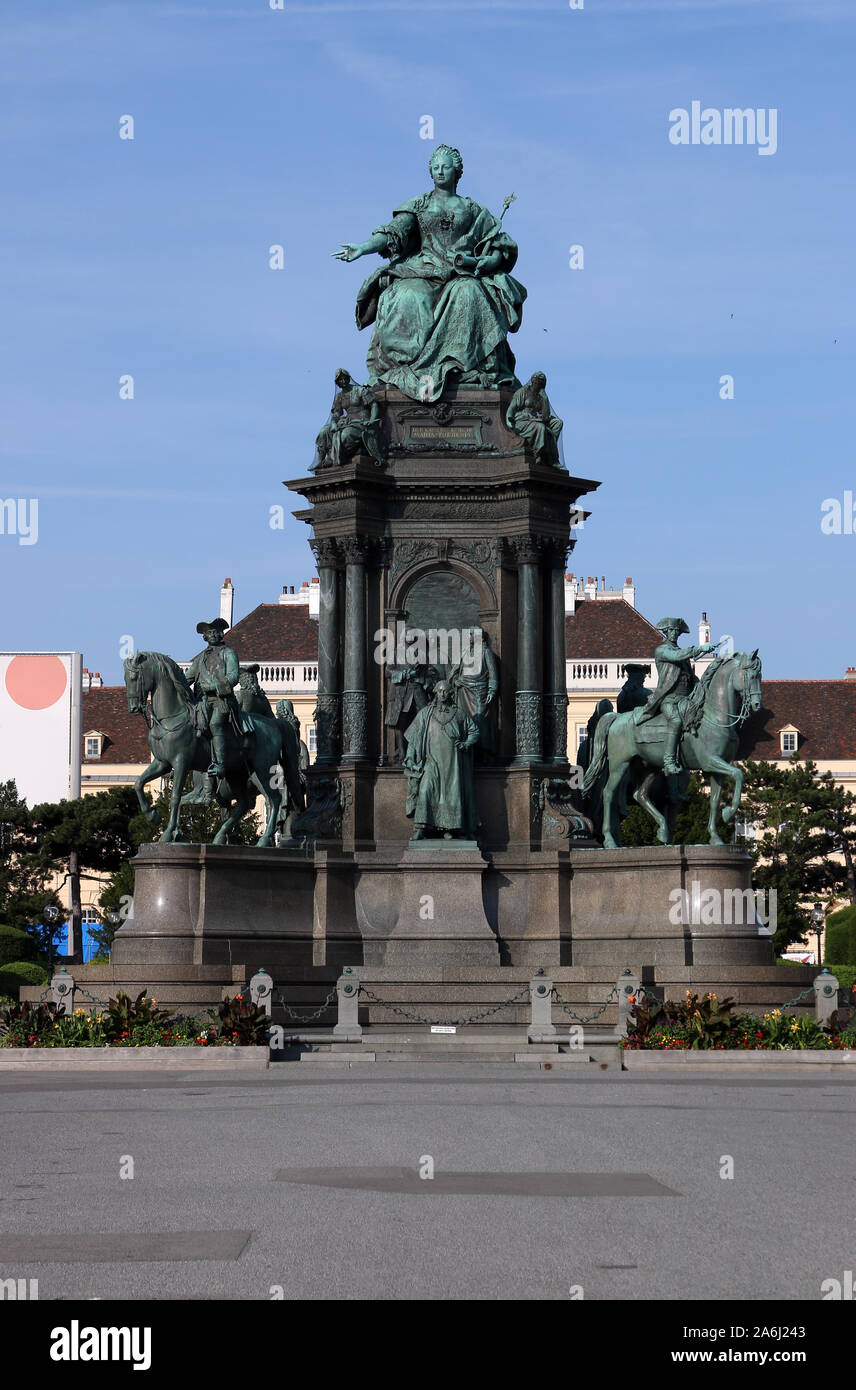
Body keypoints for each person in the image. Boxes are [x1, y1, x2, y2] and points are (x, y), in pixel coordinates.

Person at [332, 145, 526, 402]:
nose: (440, 171)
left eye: (445, 166)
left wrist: (486, 262)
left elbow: (500, 248)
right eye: (435, 167)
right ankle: (406, 368)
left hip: (461, 274)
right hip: (422, 271)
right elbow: (393, 232)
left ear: (457, 171)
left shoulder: (474, 211)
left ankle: (464, 367)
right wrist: (362, 248)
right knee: (406, 296)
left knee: (471, 292)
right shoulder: (419, 205)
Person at [634, 618, 715, 775]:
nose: (675, 634)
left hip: (685, 699)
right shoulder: (662, 651)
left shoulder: (680, 653)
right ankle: (669, 761)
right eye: (672, 631)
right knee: (676, 721)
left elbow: (690, 676)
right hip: (669, 699)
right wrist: (701, 648)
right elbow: (677, 656)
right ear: (666, 632)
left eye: (677, 632)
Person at [403, 680, 480, 840]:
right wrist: (410, 756)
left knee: (451, 795)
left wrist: (466, 743)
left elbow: (474, 731)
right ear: (435, 693)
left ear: (451, 693)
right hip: (431, 764)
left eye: (446, 691)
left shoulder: (459, 713)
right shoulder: (425, 713)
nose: (443, 694)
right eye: (440, 691)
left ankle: (449, 828)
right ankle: (420, 828)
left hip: (453, 766)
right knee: (425, 791)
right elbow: (413, 738)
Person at [185, 618, 241, 796]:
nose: (213, 635)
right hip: (202, 702)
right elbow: (188, 678)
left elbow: (233, 677)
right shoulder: (200, 659)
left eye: (216, 631)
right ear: (205, 637)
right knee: (186, 723)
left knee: (216, 723)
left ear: (221, 633)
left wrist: (215, 687)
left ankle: (220, 764)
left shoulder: (228, 653)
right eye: (209, 632)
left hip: (222, 700)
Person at [311, 369, 386, 471]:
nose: (342, 381)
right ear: (337, 382)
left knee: (345, 436)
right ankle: (320, 460)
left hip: (361, 422)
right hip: (347, 422)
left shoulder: (360, 390)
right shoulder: (339, 397)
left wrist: (372, 421)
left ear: (348, 378)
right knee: (323, 432)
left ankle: (335, 458)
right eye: (339, 380)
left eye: (344, 378)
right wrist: (333, 423)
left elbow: (374, 405)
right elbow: (337, 413)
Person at [505, 371, 563, 467]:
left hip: (536, 419)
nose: (539, 384)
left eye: (541, 383)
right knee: (540, 427)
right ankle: (539, 454)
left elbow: (545, 416)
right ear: (532, 381)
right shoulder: (522, 392)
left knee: (558, 423)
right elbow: (512, 407)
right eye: (537, 382)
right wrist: (508, 419)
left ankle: (549, 452)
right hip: (522, 420)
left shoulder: (541, 396)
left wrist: (545, 398)